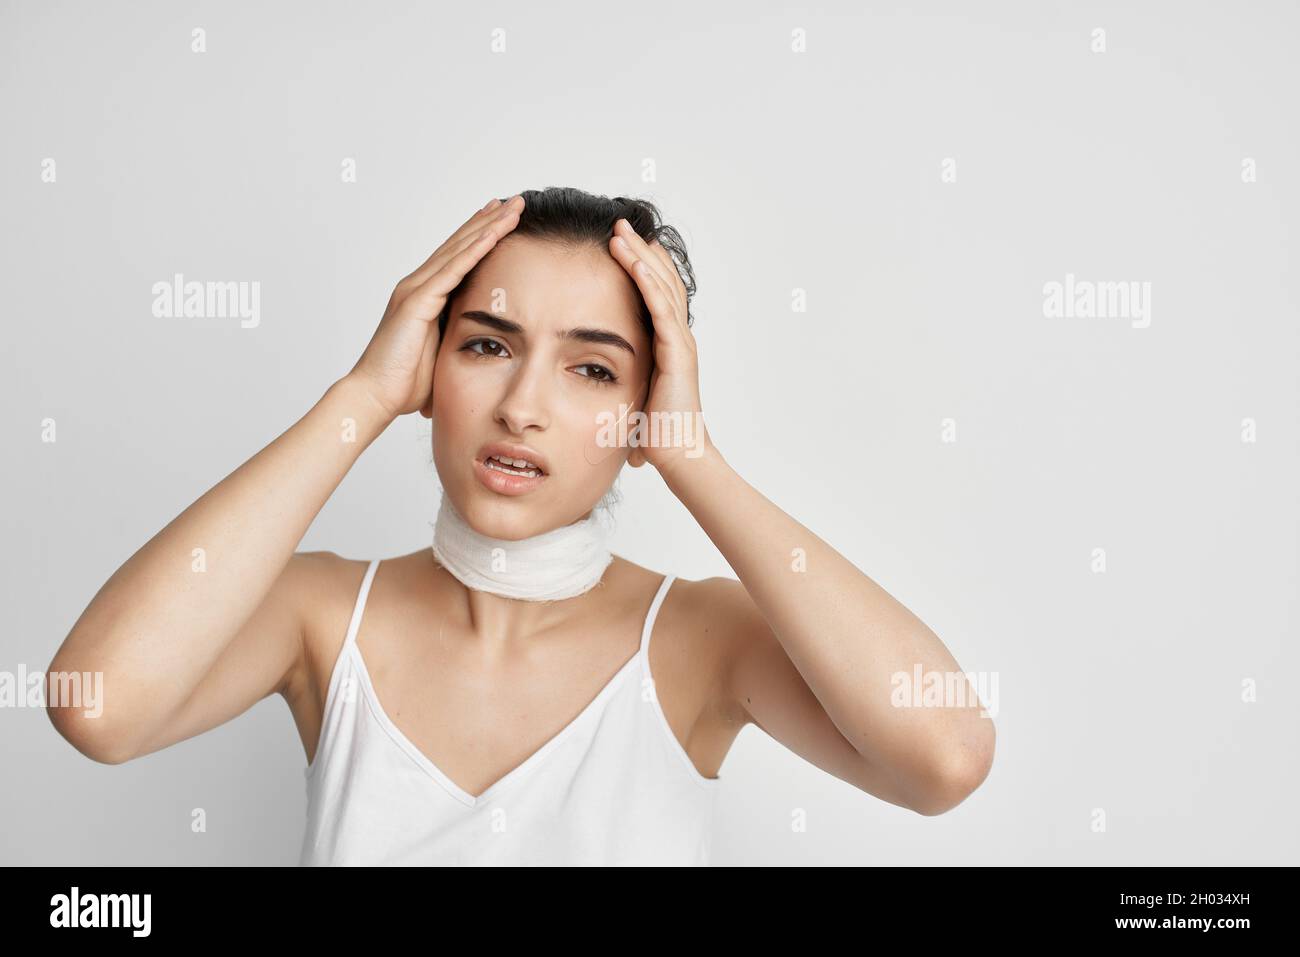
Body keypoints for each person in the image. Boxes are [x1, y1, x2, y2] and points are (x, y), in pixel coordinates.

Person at [46, 187, 996, 866]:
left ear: (641, 413)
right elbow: (98, 706)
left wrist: (693, 459)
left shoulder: (700, 641)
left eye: (592, 368)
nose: (522, 406)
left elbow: (945, 759)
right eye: (488, 345)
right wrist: (363, 396)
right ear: (429, 366)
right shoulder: (323, 613)